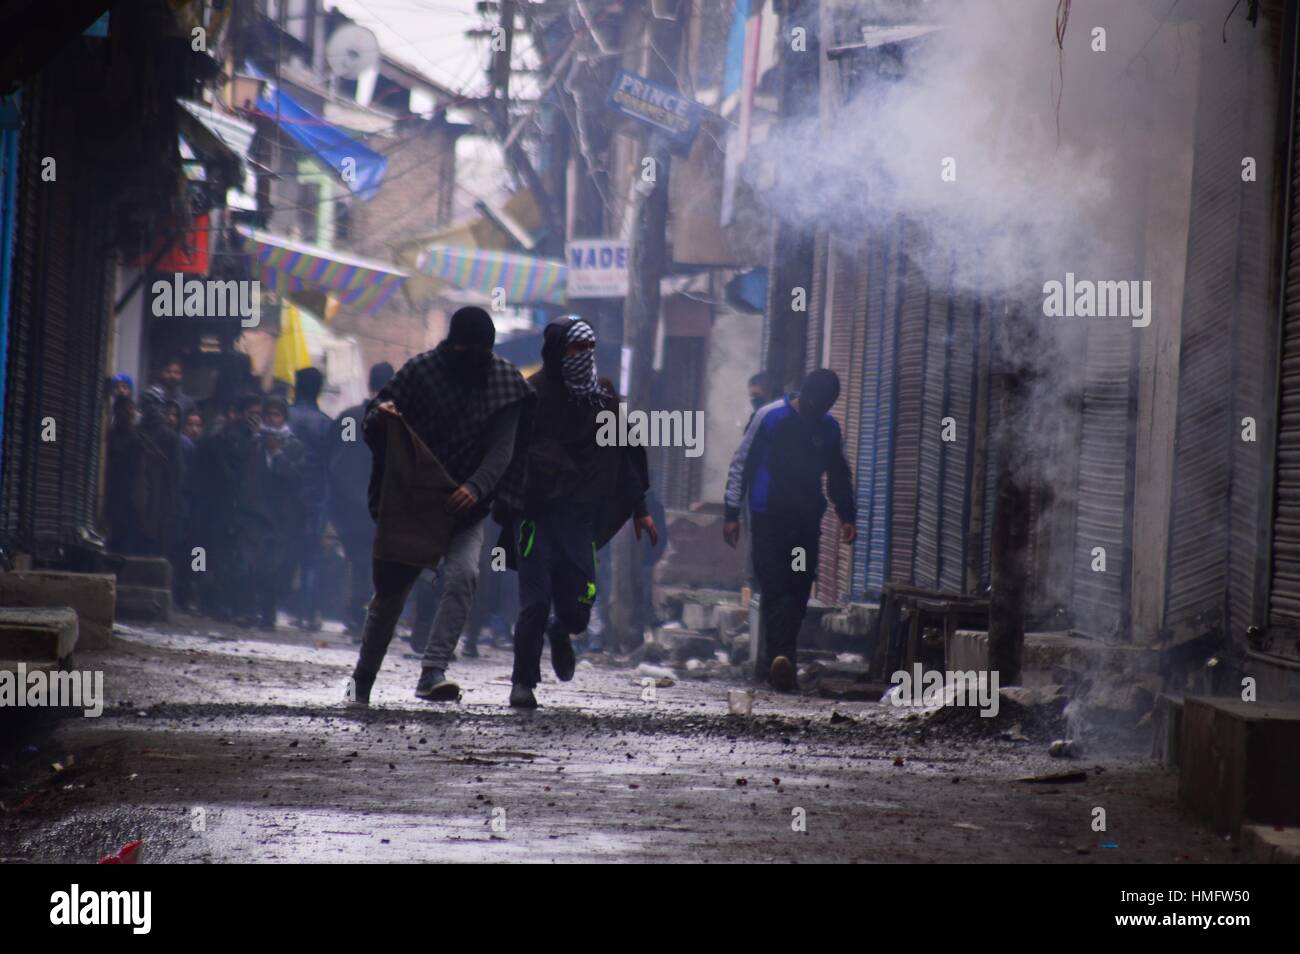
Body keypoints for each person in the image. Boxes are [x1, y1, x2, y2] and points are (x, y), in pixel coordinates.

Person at [348, 307, 533, 706]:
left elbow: (504, 449)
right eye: (465, 348)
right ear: (453, 344)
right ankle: (363, 678)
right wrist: (382, 417)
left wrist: (476, 486)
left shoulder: (504, 382)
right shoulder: (422, 372)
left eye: (480, 350)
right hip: (416, 502)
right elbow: (374, 420)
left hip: (467, 507)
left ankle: (433, 670)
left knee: (464, 575)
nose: (472, 357)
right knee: (391, 595)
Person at [500, 317, 658, 709]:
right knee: (534, 602)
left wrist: (640, 509)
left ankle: (561, 631)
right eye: (574, 349)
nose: (582, 357)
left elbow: (627, 458)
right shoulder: (530, 395)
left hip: (578, 522)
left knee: (577, 611)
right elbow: (506, 449)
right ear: (556, 351)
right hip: (535, 517)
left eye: (588, 350)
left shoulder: (603, 405)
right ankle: (523, 681)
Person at [723, 368, 856, 691]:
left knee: (797, 590)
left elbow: (838, 473)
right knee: (774, 586)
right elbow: (742, 463)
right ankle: (778, 660)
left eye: (824, 408)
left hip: (806, 522)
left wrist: (847, 514)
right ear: (802, 396)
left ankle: (783, 660)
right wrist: (731, 513)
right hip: (768, 517)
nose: (817, 412)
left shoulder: (828, 428)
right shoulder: (770, 417)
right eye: (814, 406)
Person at [327, 361, 394, 634]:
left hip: (351, 505)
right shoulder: (399, 420)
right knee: (380, 561)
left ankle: (356, 612)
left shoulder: (350, 418)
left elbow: (336, 459)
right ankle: (372, 614)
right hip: (384, 506)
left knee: (357, 559)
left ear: (370, 384)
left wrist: (340, 498)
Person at [246, 397, 305, 629]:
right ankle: (251, 610)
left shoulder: (295, 447)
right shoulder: (255, 444)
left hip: (282, 518)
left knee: (274, 568)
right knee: (253, 565)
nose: (272, 419)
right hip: (257, 514)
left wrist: (278, 454)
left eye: (277, 415)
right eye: (269, 415)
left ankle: (268, 613)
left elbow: (295, 478)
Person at [288, 367, 332, 631]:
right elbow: (330, 464)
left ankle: (269, 607)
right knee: (311, 557)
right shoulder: (326, 422)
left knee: (281, 550)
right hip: (315, 497)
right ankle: (307, 611)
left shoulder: (286, 417)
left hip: (285, 495)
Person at [156, 355, 197, 421]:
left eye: (176, 372)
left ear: (181, 375)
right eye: (168, 371)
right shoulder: (153, 400)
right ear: (162, 373)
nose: (172, 375)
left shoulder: (188, 404)